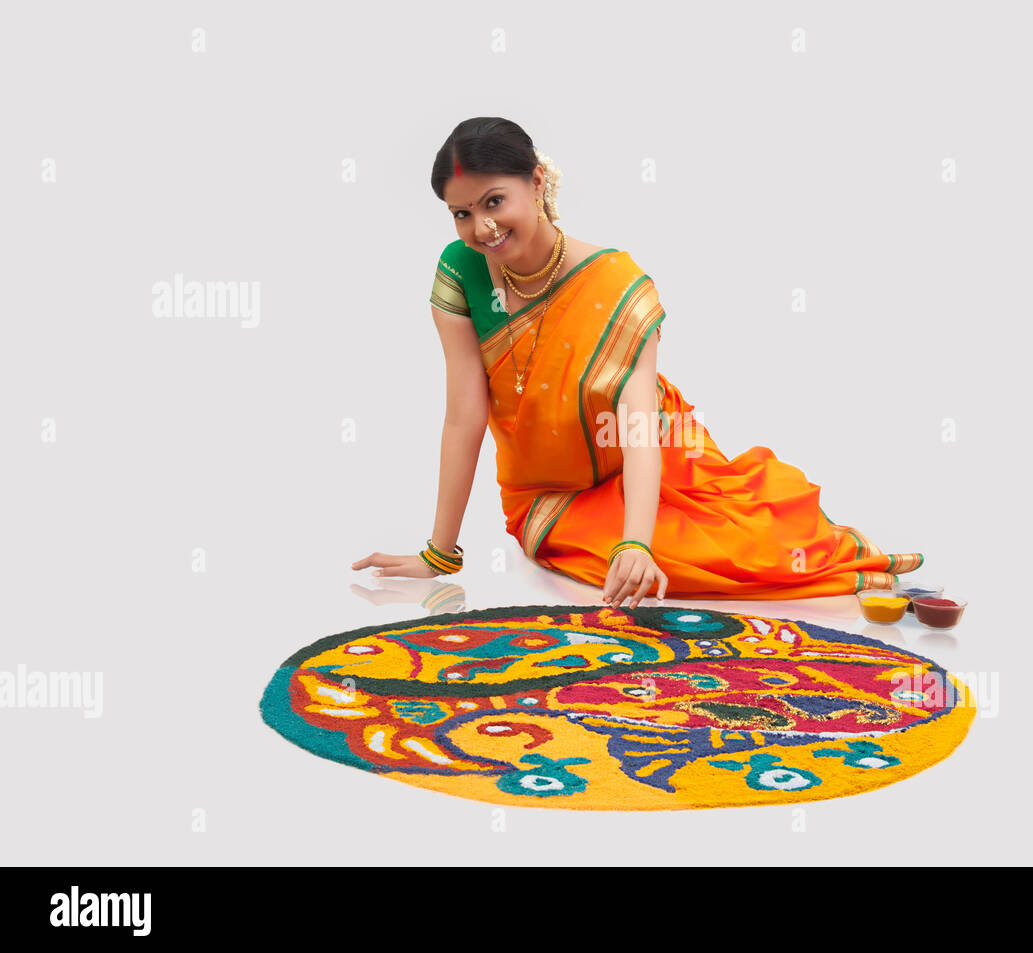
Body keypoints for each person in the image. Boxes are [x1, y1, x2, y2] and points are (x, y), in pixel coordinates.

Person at [352, 117, 924, 608]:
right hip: (549, 493)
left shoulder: (616, 284)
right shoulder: (460, 271)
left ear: (536, 181)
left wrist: (636, 539)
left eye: (494, 201)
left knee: (730, 544)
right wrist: (439, 552)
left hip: (649, 452)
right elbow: (463, 417)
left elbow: (638, 425)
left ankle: (850, 558)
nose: (481, 228)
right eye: (461, 213)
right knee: (672, 571)